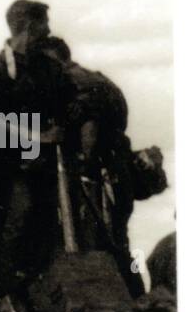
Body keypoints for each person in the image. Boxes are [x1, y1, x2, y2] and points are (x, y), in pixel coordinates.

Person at [0, 0, 74, 307]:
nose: (49, 30)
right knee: (17, 224)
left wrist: (63, 123)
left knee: (47, 233)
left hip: (45, 169)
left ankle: (35, 297)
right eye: (44, 24)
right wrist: (38, 137)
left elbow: (70, 101)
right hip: (7, 171)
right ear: (28, 26)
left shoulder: (49, 69)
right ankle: (2, 294)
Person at [39, 36, 167, 294]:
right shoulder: (99, 79)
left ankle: (124, 296)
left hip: (100, 178)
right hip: (117, 173)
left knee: (98, 244)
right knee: (119, 245)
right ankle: (134, 294)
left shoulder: (76, 82)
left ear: (55, 58)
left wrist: (84, 162)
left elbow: (89, 124)